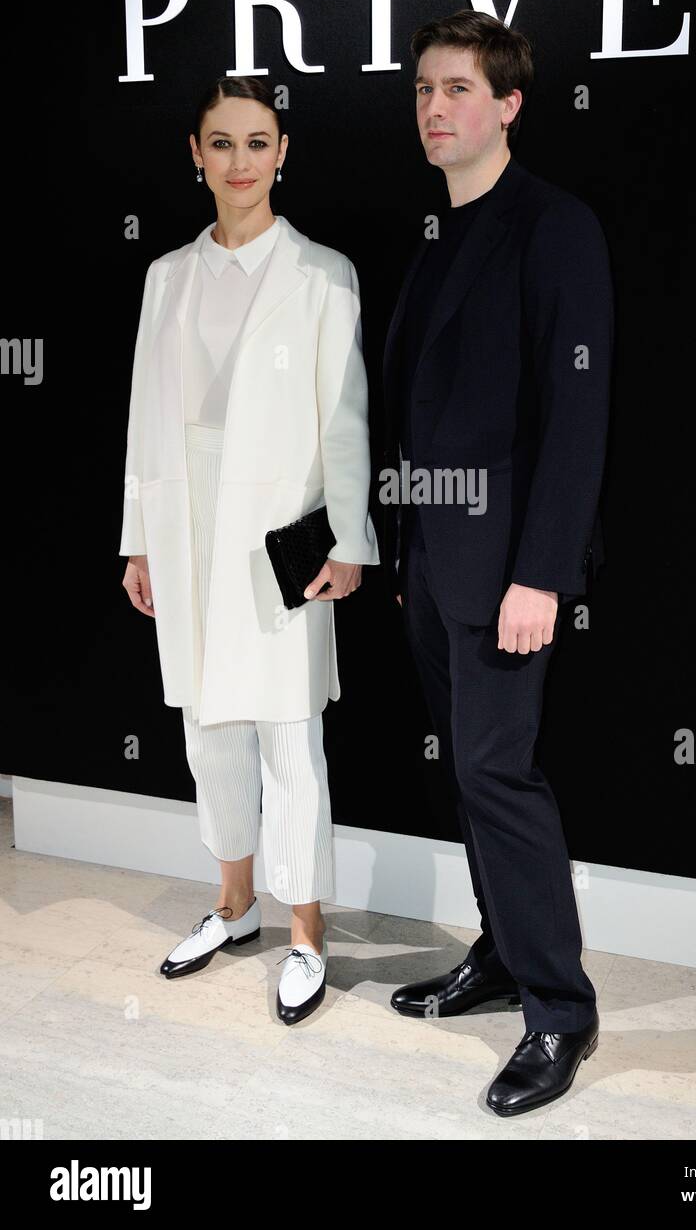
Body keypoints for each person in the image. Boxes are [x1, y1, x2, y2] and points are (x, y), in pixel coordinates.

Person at [381, 10, 614, 1116]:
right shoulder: (436, 236)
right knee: (468, 776)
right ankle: (501, 951)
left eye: (459, 90)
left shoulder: (552, 226)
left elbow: (576, 416)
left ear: (510, 104)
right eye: (425, 89)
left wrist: (543, 574)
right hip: (431, 561)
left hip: (509, 571)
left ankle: (560, 1013)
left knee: (499, 777)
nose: (436, 107)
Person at [119, 75, 379, 1025]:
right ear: (196, 154)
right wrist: (137, 537)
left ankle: (305, 931)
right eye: (221, 144)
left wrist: (350, 539)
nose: (240, 162)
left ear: (283, 154)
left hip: (282, 539)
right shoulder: (166, 278)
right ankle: (233, 908)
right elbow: (146, 415)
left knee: (290, 737)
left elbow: (344, 419)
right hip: (185, 530)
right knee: (205, 730)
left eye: (257, 142)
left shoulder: (323, 273)